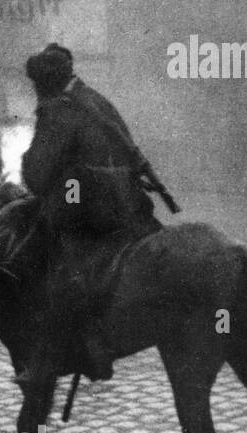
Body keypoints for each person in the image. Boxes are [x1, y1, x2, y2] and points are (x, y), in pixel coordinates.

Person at [16, 42, 163, 386]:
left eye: (36, 87)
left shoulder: (58, 110)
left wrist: (27, 161)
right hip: (130, 207)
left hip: (92, 210)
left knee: (46, 262)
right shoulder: (94, 99)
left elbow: (37, 176)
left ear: (43, 84)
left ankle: (79, 348)